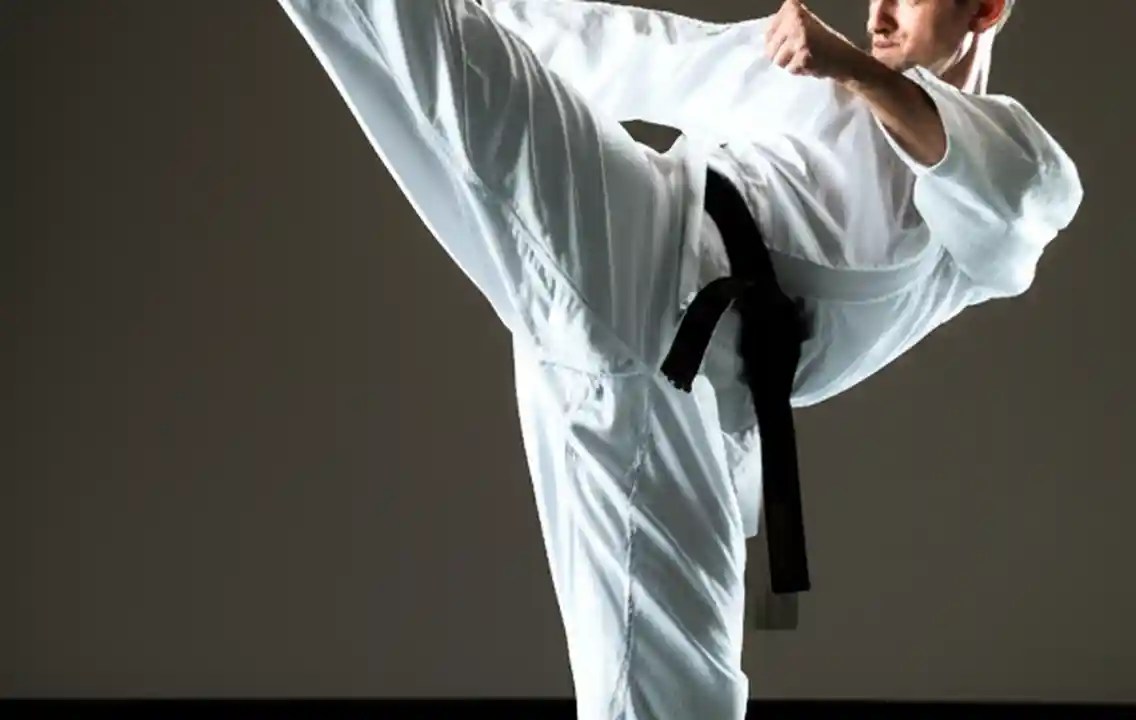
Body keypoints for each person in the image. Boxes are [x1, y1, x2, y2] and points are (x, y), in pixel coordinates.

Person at [272, 0, 1082, 717]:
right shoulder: (809, 71)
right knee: (437, 43)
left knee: (674, 698)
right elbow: (629, 47)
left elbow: (1010, 188)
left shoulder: (1012, 170)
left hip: (697, 399)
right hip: (646, 238)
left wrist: (844, 64)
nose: (878, 14)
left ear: (985, 10)